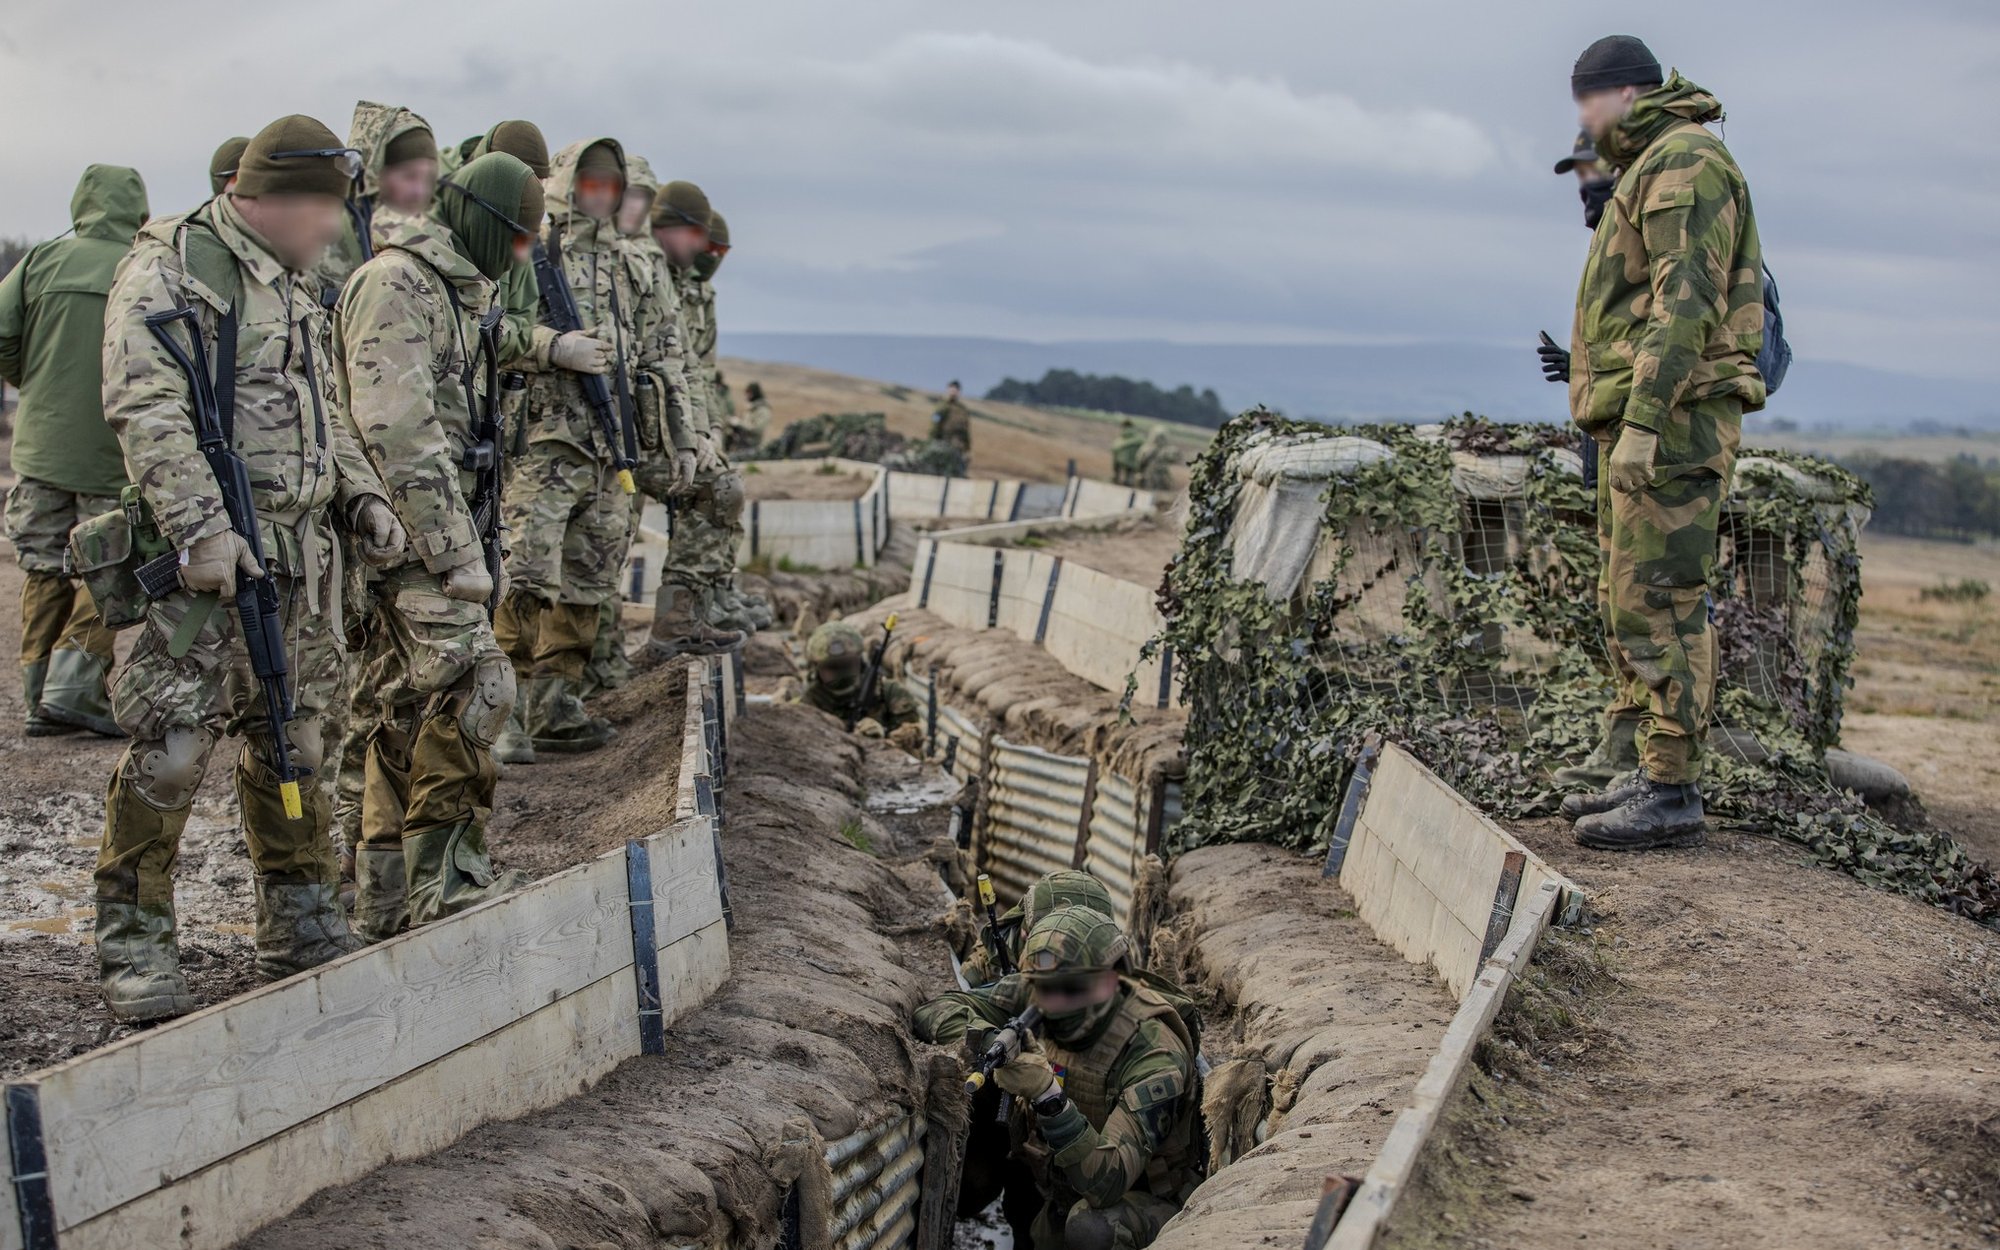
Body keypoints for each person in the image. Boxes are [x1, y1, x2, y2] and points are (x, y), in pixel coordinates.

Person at [95, 116, 404, 1021]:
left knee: (295, 739)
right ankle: (135, 940)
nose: (338, 232)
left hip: (300, 565)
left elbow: (325, 412)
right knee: (174, 750)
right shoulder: (173, 269)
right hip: (207, 565)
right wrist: (200, 527)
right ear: (277, 201)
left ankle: (302, 917)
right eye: (328, 213)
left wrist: (361, 496)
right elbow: (143, 404)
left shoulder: (295, 281)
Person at [330, 152, 544, 938]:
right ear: (488, 226)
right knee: (481, 685)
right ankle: (447, 882)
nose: (521, 258)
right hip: (409, 536)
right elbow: (398, 431)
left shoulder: (455, 294)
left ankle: (384, 896)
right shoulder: (397, 285)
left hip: (430, 530)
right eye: (517, 240)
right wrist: (457, 552)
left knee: (398, 709)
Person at [1558, 36, 1765, 850]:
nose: (1583, 120)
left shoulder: (1685, 163)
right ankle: (1647, 768)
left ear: (1624, 93)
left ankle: (1673, 790)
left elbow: (1686, 301)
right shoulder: (1654, 165)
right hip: (1643, 418)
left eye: (1587, 102)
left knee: (1664, 599)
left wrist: (1643, 417)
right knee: (1626, 597)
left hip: (1673, 420)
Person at [495, 138, 660, 755]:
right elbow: (491, 328)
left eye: (611, 187)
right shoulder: (530, 251)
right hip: (543, 444)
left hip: (607, 446)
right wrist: (550, 347)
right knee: (526, 577)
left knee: (589, 581)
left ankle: (556, 706)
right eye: (590, 183)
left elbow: (656, 347)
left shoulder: (627, 263)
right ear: (568, 183)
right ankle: (500, 713)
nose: (601, 195)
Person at [914, 908, 1203, 1250]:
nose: (1051, 1002)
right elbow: (934, 1010)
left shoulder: (1153, 1052)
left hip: (1141, 1202)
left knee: (1092, 1229)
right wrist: (992, 1038)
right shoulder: (1043, 990)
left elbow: (1107, 1184)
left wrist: (1047, 1094)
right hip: (1060, 1184)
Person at [1, 164, 147, 738]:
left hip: (40, 447)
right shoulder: (142, 266)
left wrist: (33, 384)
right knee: (106, 567)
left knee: (41, 567)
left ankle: (40, 698)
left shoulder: (39, 262)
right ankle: (75, 687)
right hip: (111, 449)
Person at [646, 180, 756, 652]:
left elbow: (698, 371)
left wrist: (708, 429)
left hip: (679, 426)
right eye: (706, 245)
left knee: (722, 487)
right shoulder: (655, 276)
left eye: (719, 250)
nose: (710, 256)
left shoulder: (699, 296)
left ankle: (693, 610)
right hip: (646, 429)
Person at [309, 101, 439, 309]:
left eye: (428, 178)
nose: (420, 191)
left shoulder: (435, 244)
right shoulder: (319, 242)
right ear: (373, 174)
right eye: (409, 176)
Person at [1534, 131, 1620, 391]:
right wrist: (1580, 369)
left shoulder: (1638, 235)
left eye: (1595, 170)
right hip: (1607, 407)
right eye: (1582, 175)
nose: (1587, 185)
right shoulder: (1604, 238)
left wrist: (1587, 371)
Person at [960, 869, 1116, 987]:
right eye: (1026, 927)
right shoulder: (994, 955)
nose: (1023, 934)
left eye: (1031, 931)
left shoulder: (1100, 973)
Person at [796, 621, 919, 747]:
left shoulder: (889, 692)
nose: (840, 672)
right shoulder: (809, 702)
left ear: (859, 661)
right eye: (832, 666)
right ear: (816, 667)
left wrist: (885, 735)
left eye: (846, 664)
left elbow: (915, 740)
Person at [934, 379, 972, 459]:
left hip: (958, 446)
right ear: (948, 390)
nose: (953, 391)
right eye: (952, 389)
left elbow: (966, 430)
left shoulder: (962, 409)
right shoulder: (942, 406)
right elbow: (935, 425)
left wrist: (967, 448)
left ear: (959, 391)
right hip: (943, 444)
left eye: (956, 389)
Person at [736, 379, 774, 456]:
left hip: (757, 448)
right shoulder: (752, 408)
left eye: (749, 393)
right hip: (746, 446)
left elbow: (757, 429)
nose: (746, 396)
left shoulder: (763, 410)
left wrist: (739, 424)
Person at [1109, 418, 1143, 487]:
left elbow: (1114, 448)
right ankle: (1128, 483)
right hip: (1133, 461)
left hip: (1120, 460)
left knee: (1117, 472)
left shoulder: (1122, 437)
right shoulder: (1138, 436)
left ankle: (1116, 479)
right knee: (1129, 476)